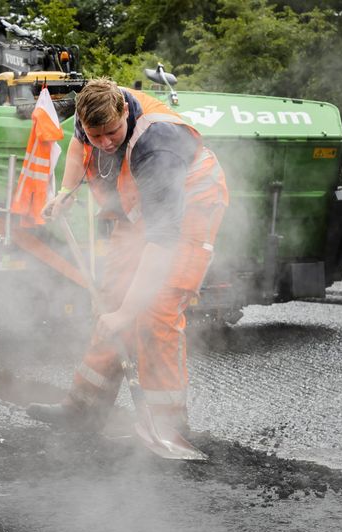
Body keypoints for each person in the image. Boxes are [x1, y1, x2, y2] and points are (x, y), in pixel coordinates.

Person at [27, 78, 228, 436]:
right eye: (96, 135)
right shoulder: (92, 110)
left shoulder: (158, 145)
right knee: (111, 303)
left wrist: (127, 313)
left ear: (124, 110)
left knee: (155, 311)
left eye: (111, 134)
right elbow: (77, 145)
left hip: (192, 201)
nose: (103, 143)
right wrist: (66, 192)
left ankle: (168, 426)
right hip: (138, 199)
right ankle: (84, 410)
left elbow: (162, 242)